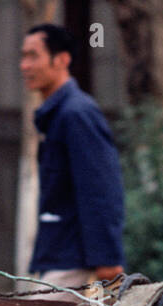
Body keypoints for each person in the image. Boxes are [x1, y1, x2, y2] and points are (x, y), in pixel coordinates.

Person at [20, 23, 125, 290]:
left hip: (77, 261)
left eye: (33, 56)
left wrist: (107, 261)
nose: (24, 65)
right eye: (23, 56)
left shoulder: (77, 113)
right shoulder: (58, 113)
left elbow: (101, 189)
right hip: (59, 255)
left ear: (62, 59)